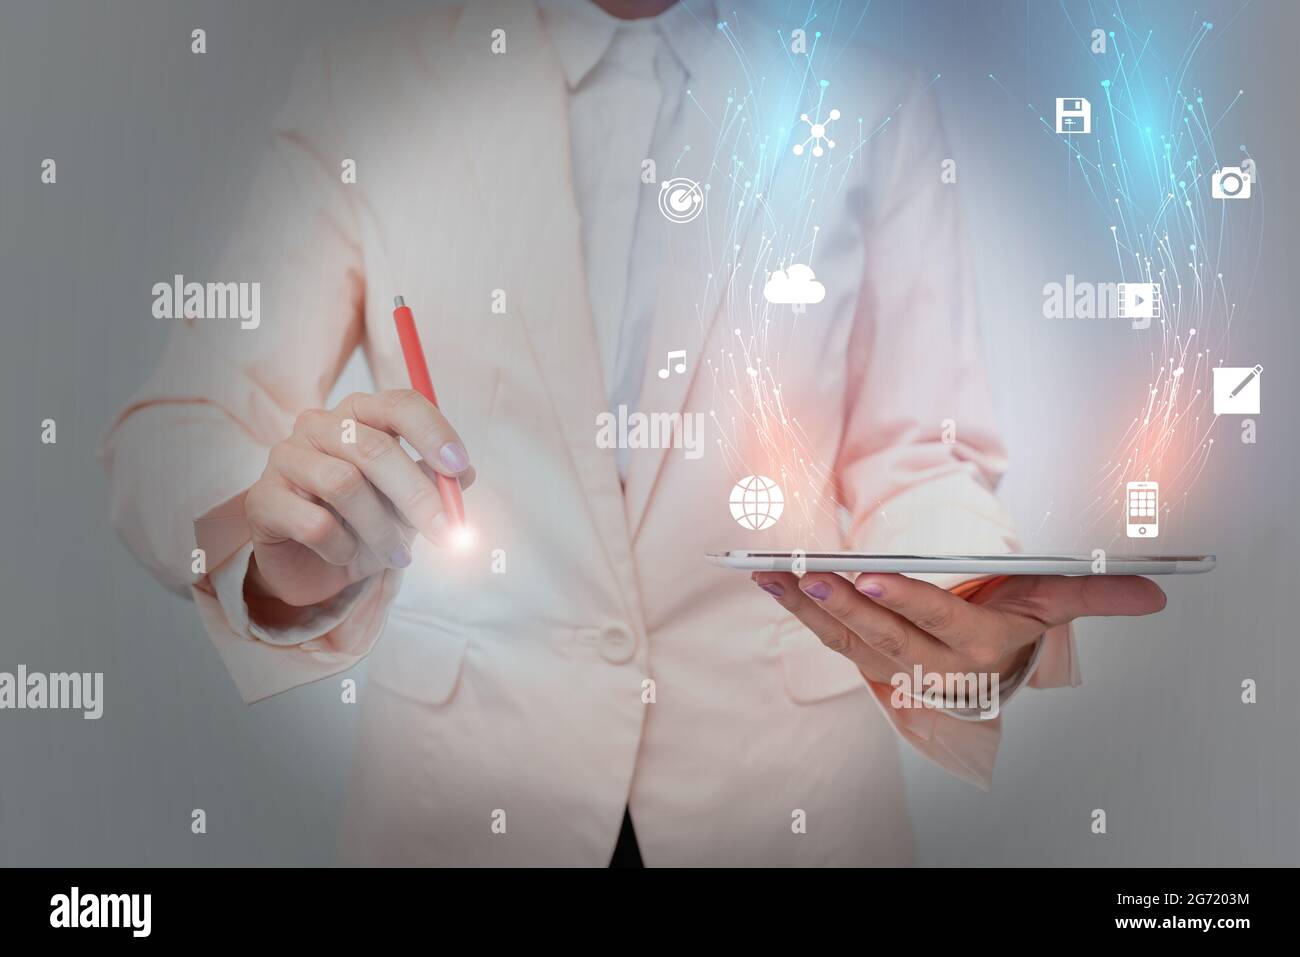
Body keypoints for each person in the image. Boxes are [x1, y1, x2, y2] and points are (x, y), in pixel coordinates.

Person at [101, 0, 1165, 866]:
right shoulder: (368, 91)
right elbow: (176, 428)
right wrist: (278, 546)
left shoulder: (869, 105)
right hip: (463, 798)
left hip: (785, 797)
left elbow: (918, 455)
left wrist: (969, 606)